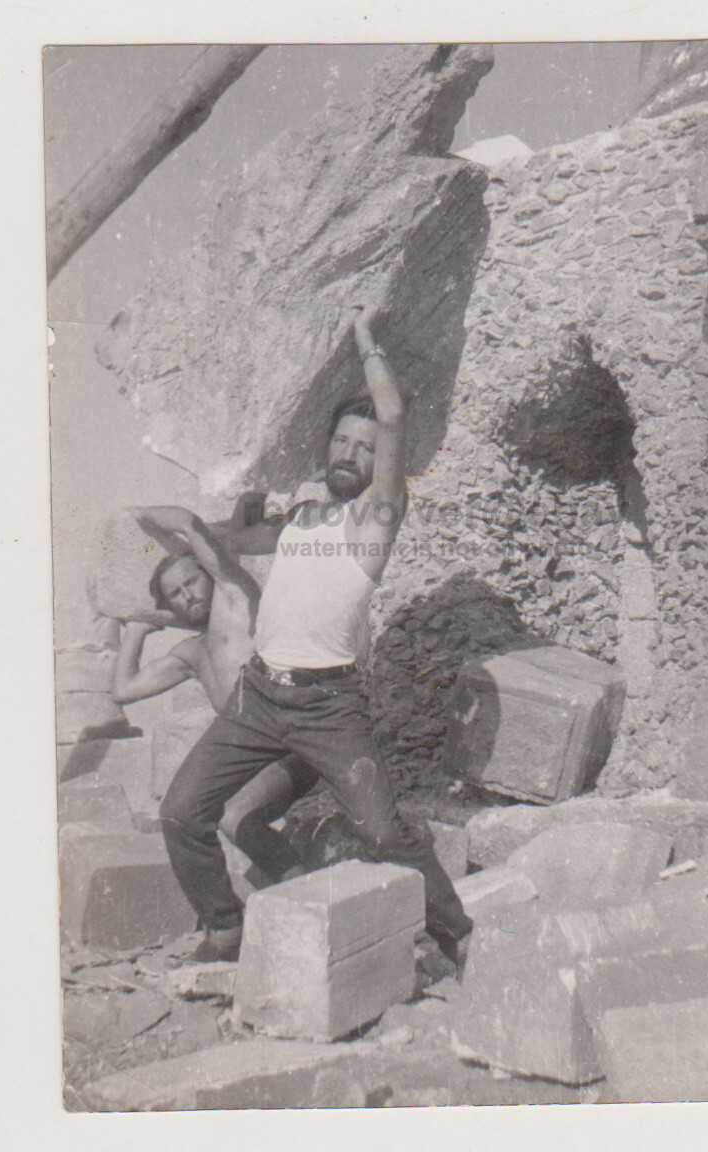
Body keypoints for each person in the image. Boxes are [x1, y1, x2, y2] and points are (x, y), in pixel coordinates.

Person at [160, 304, 473, 964]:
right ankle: (224, 926)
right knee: (181, 811)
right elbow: (230, 541)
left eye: (365, 449)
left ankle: (460, 936)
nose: (351, 454)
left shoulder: (373, 522)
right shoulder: (302, 519)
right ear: (326, 445)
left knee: (385, 834)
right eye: (342, 442)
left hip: (329, 706)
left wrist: (363, 339)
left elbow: (392, 416)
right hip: (256, 697)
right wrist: (210, 526)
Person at [112, 506, 314, 885]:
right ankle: (289, 891)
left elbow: (192, 527)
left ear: (209, 577)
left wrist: (142, 515)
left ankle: (305, 888)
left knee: (233, 814)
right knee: (193, 812)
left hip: (291, 744)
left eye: (191, 582)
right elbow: (124, 690)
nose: (187, 596)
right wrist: (137, 630)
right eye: (175, 594)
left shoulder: (236, 605)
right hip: (252, 757)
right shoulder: (191, 654)